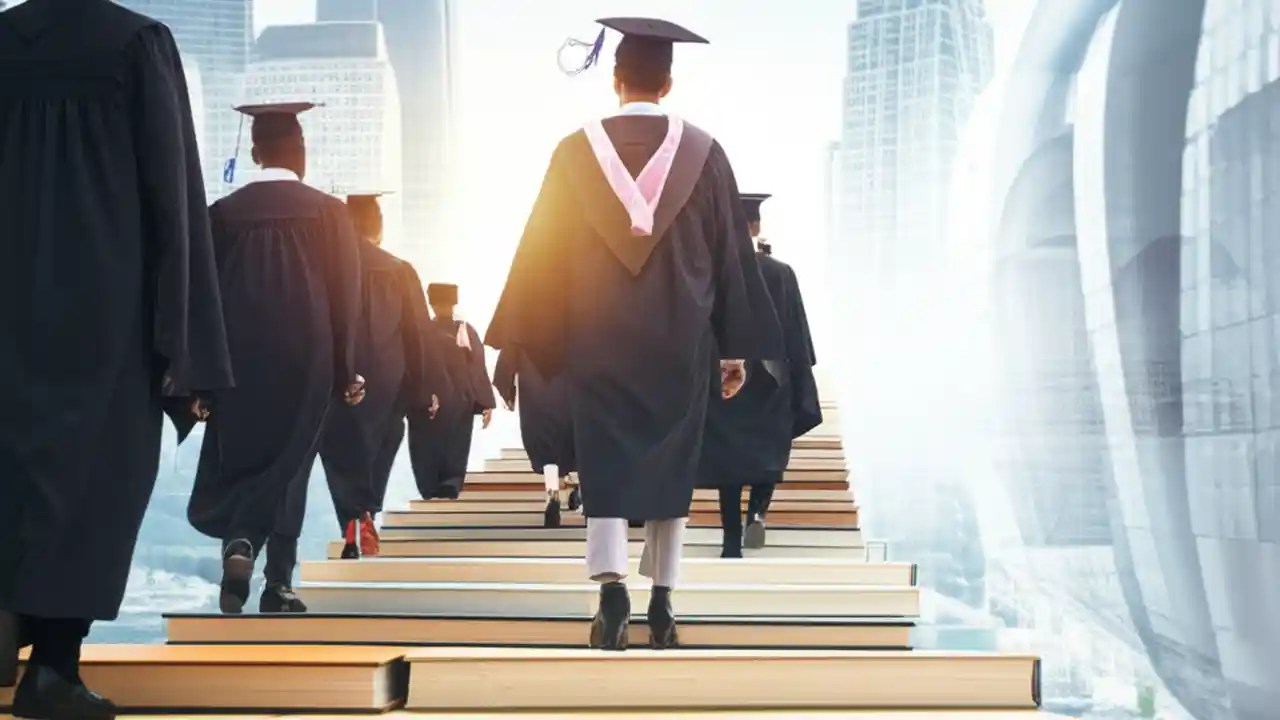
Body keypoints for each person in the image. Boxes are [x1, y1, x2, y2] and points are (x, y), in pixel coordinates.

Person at [486, 17, 783, 651]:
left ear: (616, 80)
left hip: (600, 341)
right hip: (682, 342)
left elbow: (542, 251)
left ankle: (611, 593)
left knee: (606, 462)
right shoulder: (705, 152)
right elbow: (730, 253)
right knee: (672, 467)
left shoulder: (573, 151)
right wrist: (733, 348)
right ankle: (664, 604)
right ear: (668, 82)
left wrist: (532, 342)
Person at [0, 0, 234, 714]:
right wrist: (184, 341)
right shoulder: (136, 43)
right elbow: (173, 197)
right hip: (104, 316)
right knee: (94, 482)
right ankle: (54, 670)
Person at [186, 102, 366, 616]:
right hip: (307, 357)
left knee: (242, 457)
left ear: (254, 152)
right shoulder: (329, 212)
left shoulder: (222, 214)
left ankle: (239, 546)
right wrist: (346, 365)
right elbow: (345, 294)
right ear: (301, 152)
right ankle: (276, 582)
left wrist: (200, 379)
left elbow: (200, 298)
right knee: (292, 464)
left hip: (234, 359)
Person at [321, 192, 452, 559]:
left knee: (340, 454)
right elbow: (417, 333)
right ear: (377, 227)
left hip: (336, 381)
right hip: (387, 381)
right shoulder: (399, 269)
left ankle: (350, 525)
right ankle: (367, 515)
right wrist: (424, 389)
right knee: (380, 446)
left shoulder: (324, 268)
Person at [698, 193, 822, 557]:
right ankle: (758, 513)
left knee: (728, 459)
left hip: (727, 380)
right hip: (772, 380)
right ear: (756, 227)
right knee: (769, 452)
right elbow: (796, 331)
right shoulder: (780, 273)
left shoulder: (711, 274)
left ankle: (731, 538)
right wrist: (801, 372)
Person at [407, 284, 495, 500]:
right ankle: (448, 484)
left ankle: (433, 487)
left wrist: (486, 402)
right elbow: (477, 365)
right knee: (454, 442)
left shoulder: (421, 331)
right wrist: (485, 401)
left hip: (430, 399)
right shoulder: (464, 330)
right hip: (452, 398)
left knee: (427, 446)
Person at [494, 345, 576, 528]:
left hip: (535, 385)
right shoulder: (577, 315)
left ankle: (552, 495)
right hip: (569, 382)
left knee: (546, 444)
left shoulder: (525, 317)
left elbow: (510, 347)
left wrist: (507, 389)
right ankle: (584, 495)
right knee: (575, 439)